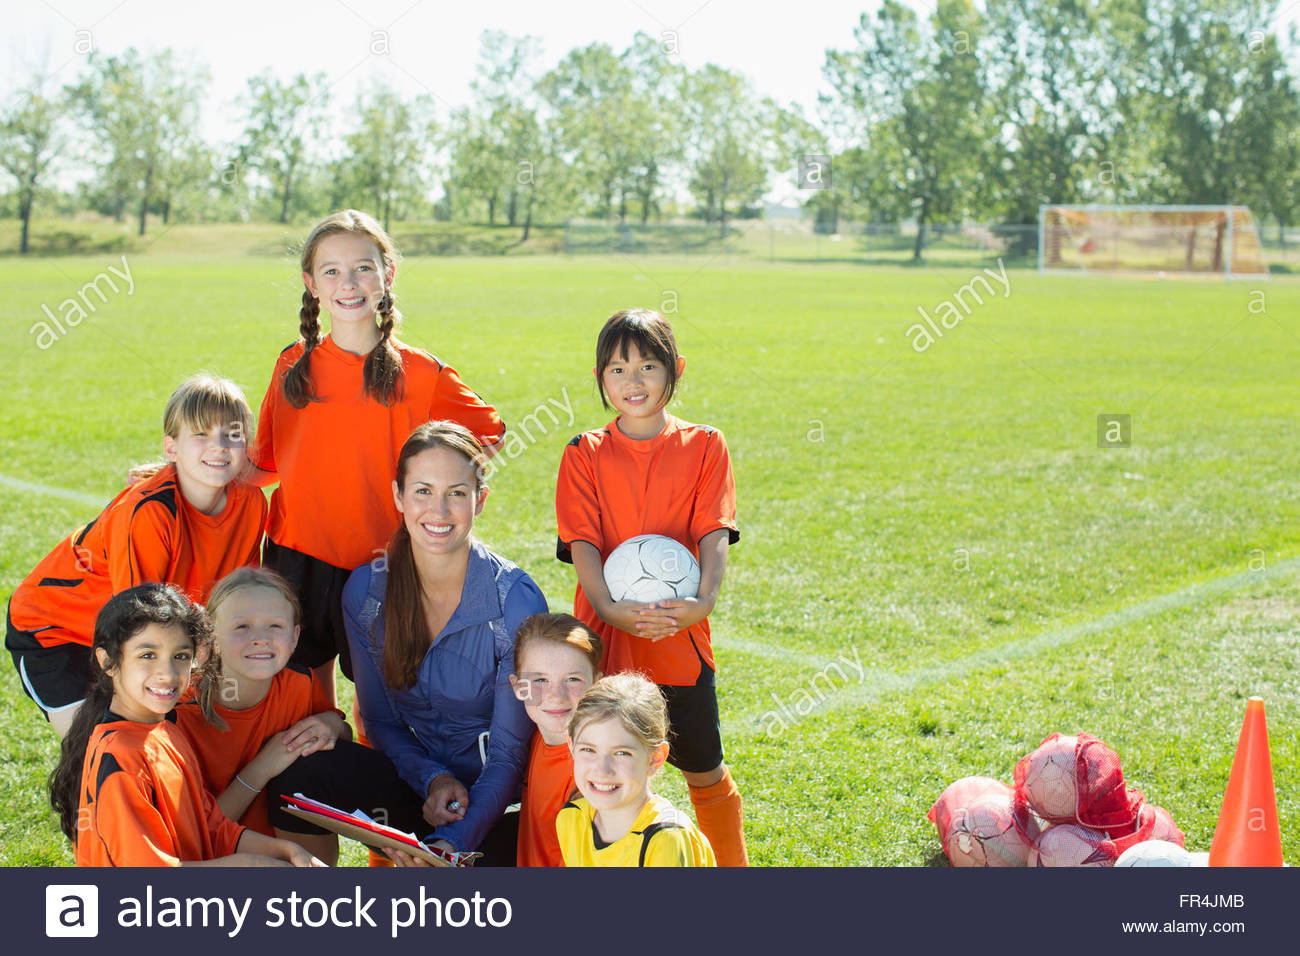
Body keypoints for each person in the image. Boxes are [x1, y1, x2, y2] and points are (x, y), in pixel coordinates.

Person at [246, 209, 505, 696]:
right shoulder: (292, 365)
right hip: (299, 557)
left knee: (383, 694)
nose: (349, 283)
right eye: (332, 271)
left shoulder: (422, 372)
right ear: (312, 283)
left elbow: (489, 434)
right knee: (302, 691)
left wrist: (433, 491)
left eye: (363, 267)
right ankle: (322, 770)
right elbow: (263, 464)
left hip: (385, 562)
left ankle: (386, 772)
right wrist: (186, 473)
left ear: (387, 274)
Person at [554, 308, 747, 865]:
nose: (632, 382)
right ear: (599, 377)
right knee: (600, 766)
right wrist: (610, 611)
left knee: (703, 769)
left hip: (679, 633)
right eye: (616, 369)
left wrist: (702, 602)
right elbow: (584, 543)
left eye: (647, 366)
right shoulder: (583, 451)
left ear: (675, 370)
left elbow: (714, 529)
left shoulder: (706, 444)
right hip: (604, 635)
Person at [7, 375, 266, 738]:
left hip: (144, 631)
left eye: (232, 434)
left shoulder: (251, 504)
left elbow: (233, 598)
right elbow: (136, 623)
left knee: (177, 738)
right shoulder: (149, 512)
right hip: (57, 630)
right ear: (171, 448)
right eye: (201, 435)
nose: (219, 446)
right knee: (102, 748)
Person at [344, 421, 546, 864]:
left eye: (456, 492)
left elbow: (511, 753)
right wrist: (433, 779)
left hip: (501, 802)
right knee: (309, 773)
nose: (438, 510)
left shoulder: (514, 601)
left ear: (480, 500)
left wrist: (454, 843)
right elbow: (380, 721)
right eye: (422, 491)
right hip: (418, 788)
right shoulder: (365, 594)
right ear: (398, 496)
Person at [47, 583, 323, 867]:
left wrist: (283, 850)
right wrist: (251, 866)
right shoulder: (121, 760)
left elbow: (210, 826)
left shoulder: (166, 732)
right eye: (147, 655)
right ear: (108, 661)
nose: (167, 673)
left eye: (180, 656)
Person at [175, 567, 421, 865]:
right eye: (242, 627)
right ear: (210, 637)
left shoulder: (298, 684)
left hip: (289, 852)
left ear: (294, 638)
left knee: (310, 764)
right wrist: (263, 766)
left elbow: (336, 753)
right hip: (217, 861)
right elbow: (196, 834)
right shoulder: (181, 712)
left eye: (274, 626)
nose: (261, 639)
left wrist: (333, 725)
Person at [556, 673, 715, 867]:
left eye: (622, 753)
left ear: (655, 758)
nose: (602, 770)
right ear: (571, 746)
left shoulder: (665, 838)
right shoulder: (572, 819)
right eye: (589, 750)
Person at [508, 612, 602, 867]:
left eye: (573, 679)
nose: (556, 696)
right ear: (517, 687)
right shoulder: (535, 734)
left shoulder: (596, 772)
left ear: (597, 683)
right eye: (540, 680)